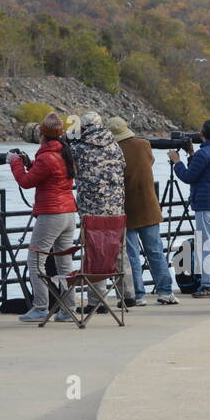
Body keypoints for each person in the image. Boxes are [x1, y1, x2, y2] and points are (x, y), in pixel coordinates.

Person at [10, 112, 79, 322]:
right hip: (68, 212)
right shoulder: (64, 152)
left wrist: (14, 162)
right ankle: (69, 309)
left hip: (51, 213)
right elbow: (47, 175)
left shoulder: (47, 156)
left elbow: (26, 181)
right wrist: (30, 163)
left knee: (35, 260)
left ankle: (40, 307)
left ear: (42, 135)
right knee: (64, 263)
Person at [109, 116, 177, 305]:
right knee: (155, 250)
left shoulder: (113, 150)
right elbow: (150, 162)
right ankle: (165, 291)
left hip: (126, 206)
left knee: (131, 255)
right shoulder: (144, 144)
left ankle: (138, 294)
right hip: (148, 204)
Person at [71, 111, 127, 311]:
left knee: (95, 251)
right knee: (117, 249)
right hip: (116, 208)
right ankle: (127, 294)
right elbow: (123, 167)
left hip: (91, 210)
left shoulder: (79, 148)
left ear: (83, 128)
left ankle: (96, 301)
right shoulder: (115, 146)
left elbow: (70, 169)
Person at [170, 119, 210, 297]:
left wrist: (177, 162)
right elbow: (203, 171)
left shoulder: (205, 154)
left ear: (201, 134)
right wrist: (191, 154)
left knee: (207, 246)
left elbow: (189, 176)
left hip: (205, 204)